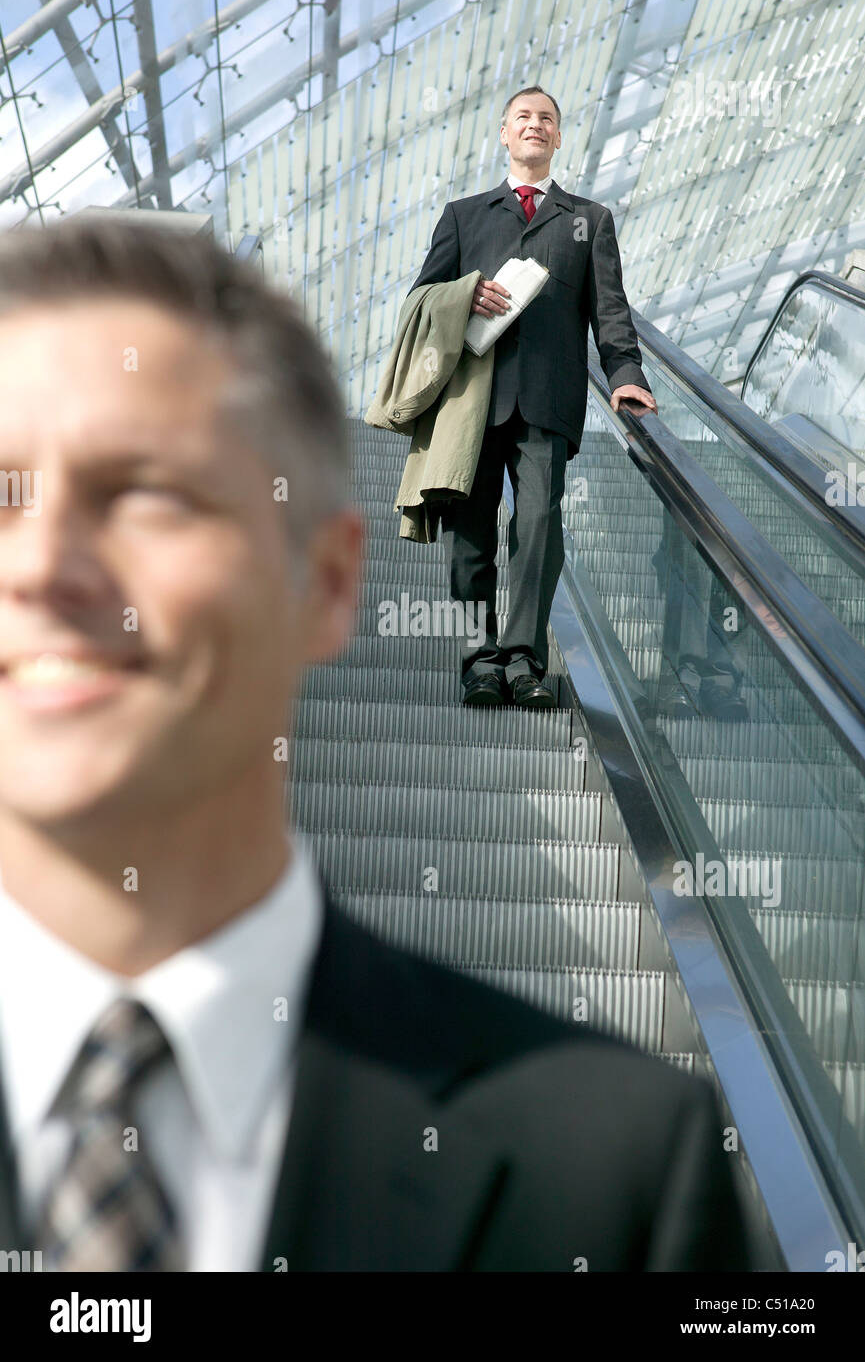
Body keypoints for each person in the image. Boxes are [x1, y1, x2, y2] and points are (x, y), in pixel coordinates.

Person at [0, 216, 748, 1271]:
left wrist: (620, 372)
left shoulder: (627, 1178)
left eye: (145, 493)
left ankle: (512, 644)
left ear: (330, 582)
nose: (43, 567)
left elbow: (607, 311)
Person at [408, 85, 659, 708]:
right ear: (504, 132)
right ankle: (478, 657)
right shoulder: (464, 215)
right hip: (472, 400)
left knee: (541, 525)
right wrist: (464, 293)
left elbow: (610, 310)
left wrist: (627, 372)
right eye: (523, 116)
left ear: (557, 136)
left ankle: (524, 659)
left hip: (548, 398)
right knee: (470, 533)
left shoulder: (588, 220)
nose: (535, 125)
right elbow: (419, 298)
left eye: (546, 118)